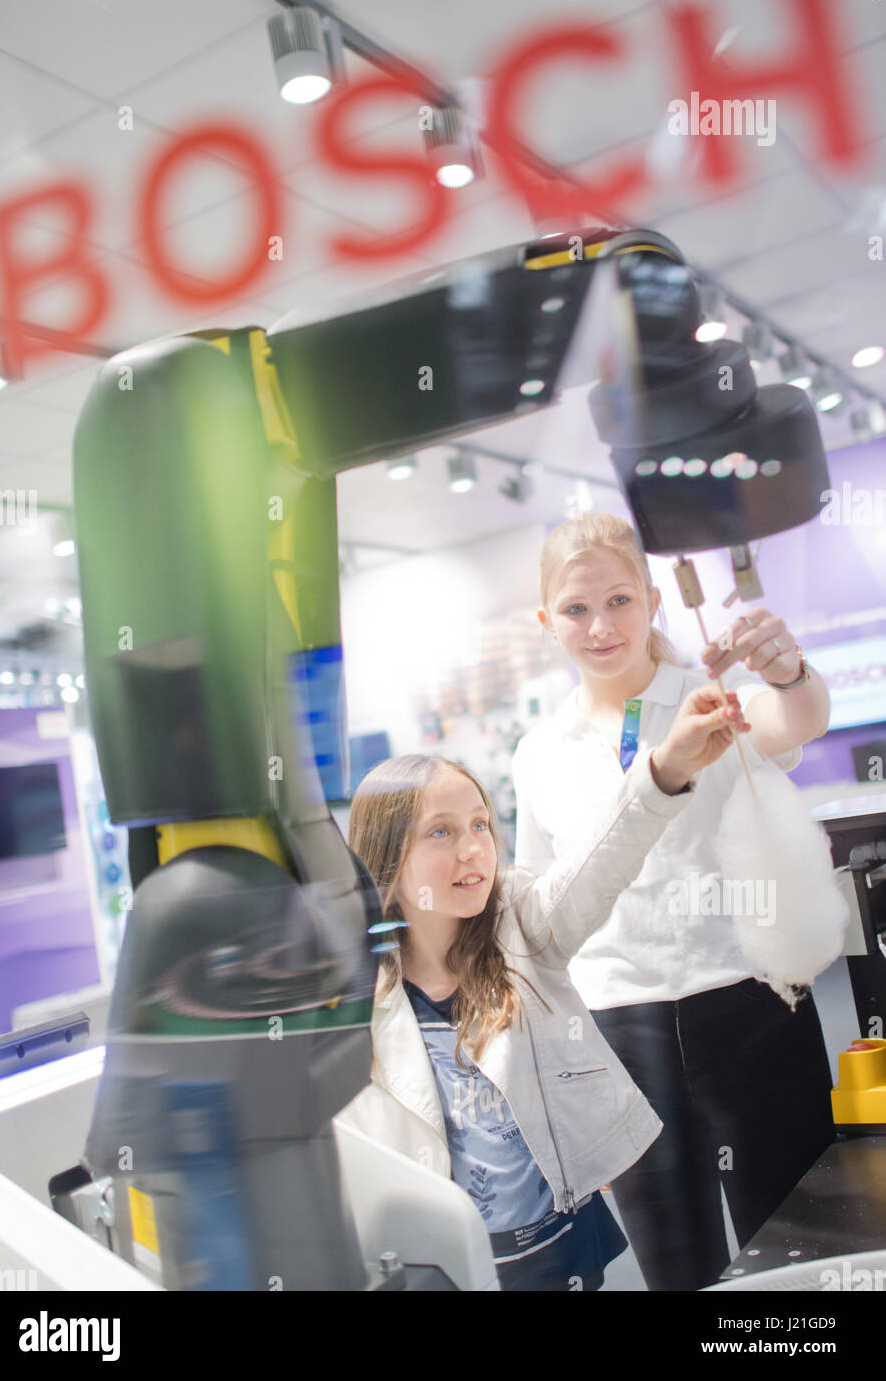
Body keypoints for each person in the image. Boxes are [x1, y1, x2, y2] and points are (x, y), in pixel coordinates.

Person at [512, 511, 835, 1292]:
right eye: (577, 609)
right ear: (545, 621)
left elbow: (794, 719)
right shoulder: (539, 752)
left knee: (799, 1245)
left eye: (619, 600)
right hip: (621, 1033)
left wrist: (788, 673)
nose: (600, 626)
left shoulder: (709, 697)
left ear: (653, 601)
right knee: (674, 1268)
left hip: (747, 1001)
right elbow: (542, 906)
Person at [335, 684, 748, 1291]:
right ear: (385, 859)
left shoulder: (519, 925)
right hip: (453, 1267)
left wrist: (665, 770)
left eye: (480, 823)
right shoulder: (360, 1000)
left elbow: (599, 861)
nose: (473, 847)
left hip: (558, 1252)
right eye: (441, 833)